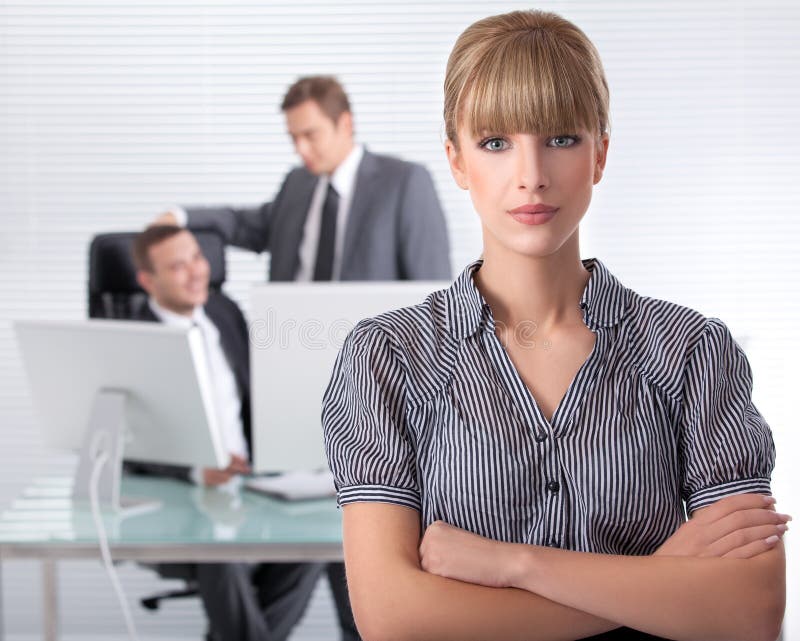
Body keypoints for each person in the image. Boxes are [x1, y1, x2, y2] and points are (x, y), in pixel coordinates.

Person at [322, 10, 787, 641]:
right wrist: (659, 580)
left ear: (600, 152)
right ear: (457, 162)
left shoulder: (692, 352)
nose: (531, 174)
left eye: (561, 139)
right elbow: (392, 618)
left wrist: (514, 565)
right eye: (495, 143)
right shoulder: (386, 357)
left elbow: (751, 611)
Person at [128, 224, 324, 641]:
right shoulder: (130, 337)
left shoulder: (224, 311)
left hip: (252, 487)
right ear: (148, 280)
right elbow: (127, 446)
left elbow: (263, 396)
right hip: (184, 502)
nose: (197, 272)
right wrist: (197, 472)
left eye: (197, 258)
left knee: (314, 544)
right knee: (222, 554)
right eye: (177, 266)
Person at [156, 75, 451, 282]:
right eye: (293, 137)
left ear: (345, 124)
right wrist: (179, 216)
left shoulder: (404, 182)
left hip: (372, 352)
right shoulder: (298, 183)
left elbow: (431, 284)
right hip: (292, 337)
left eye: (310, 135)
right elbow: (245, 225)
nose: (300, 149)